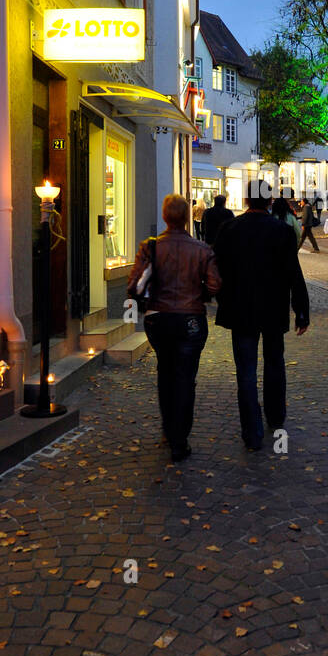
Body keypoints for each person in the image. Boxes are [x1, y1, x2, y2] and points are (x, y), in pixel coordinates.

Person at [214, 179, 310, 452]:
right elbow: (294, 273)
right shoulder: (281, 231)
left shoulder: (229, 229)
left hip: (241, 310)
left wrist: (223, 300)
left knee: (245, 371)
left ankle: (252, 432)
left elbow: (216, 271)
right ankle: (276, 416)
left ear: (246, 201)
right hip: (273, 308)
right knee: (274, 363)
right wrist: (301, 311)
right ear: (269, 201)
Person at [127, 194, 221, 463]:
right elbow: (215, 285)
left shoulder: (151, 247)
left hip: (159, 319)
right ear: (187, 216)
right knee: (185, 377)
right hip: (191, 320)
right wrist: (199, 293)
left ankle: (170, 431)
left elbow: (134, 285)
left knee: (166, 373)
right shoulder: (202, 249)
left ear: (165, 216)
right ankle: (181, 437)